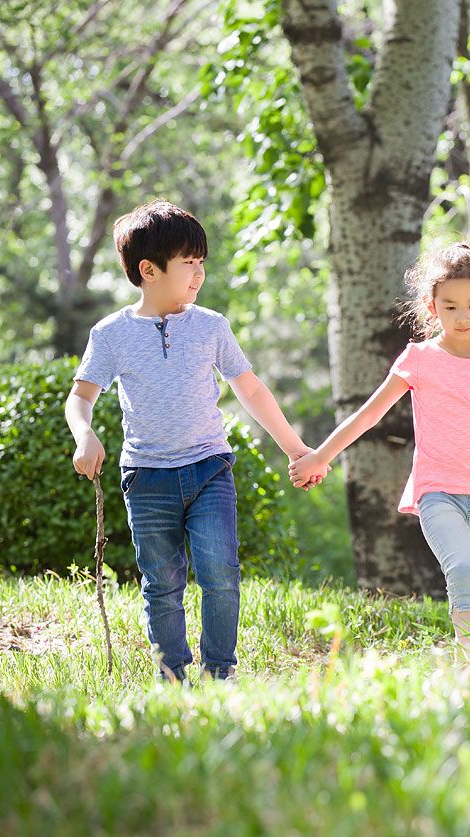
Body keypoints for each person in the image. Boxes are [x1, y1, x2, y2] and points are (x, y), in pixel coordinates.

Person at [65, 199, 323, 682]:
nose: (199, 273)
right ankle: (173, 677)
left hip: (209, 468)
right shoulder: (111, 334)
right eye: (189, 262)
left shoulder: (211, 326)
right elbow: (79, 399)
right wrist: (85, 435)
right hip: (146, 477)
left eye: (202, 261)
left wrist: (296, 449)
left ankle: (219, 674)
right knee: (161, 584)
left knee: (220, 575)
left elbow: (251, 389)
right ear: (149, 269)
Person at [289, 243, 470, 653]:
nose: (462, 317)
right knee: (461, 571)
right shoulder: (419, 358)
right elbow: (368, 415)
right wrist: (321, 455)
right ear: (432, 306)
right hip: (437, 491)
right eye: (450, 307)